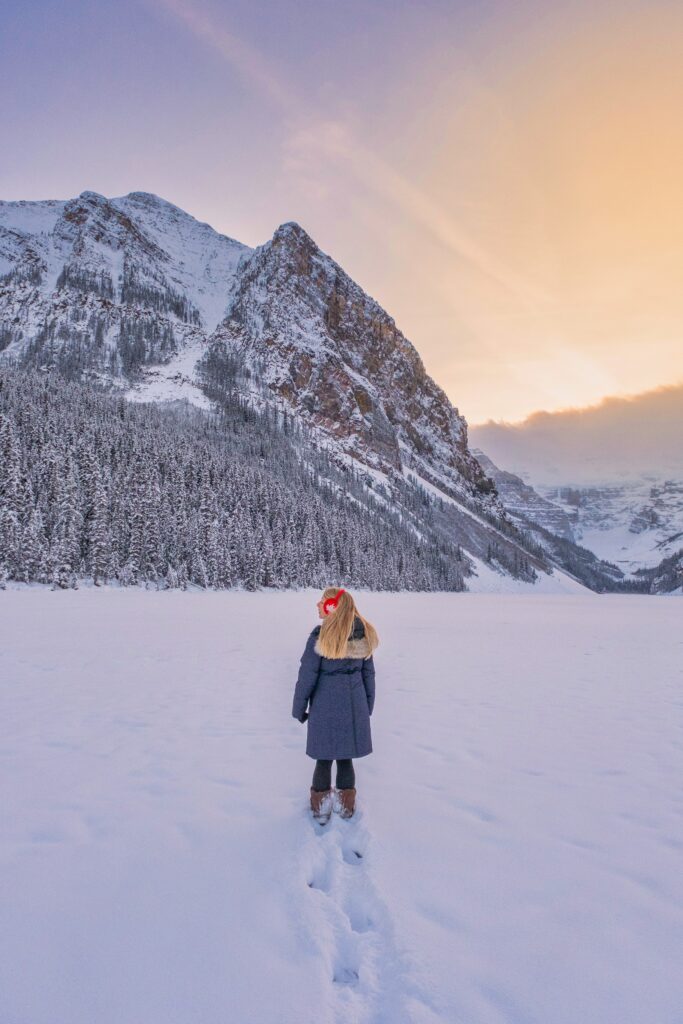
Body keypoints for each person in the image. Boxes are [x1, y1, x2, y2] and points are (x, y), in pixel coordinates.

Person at [292, 587, 379, 822]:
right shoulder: (363, 636)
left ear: (333, 608)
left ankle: (320, 809)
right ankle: (345, 807)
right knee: (345, 758)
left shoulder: (320, 637)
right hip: (353, 708)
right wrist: (366, 707)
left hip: (324, 708)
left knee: (324, 757)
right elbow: (369, 677)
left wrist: (299, 708)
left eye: (323, 602)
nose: (318, 605)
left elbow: (307, 676)